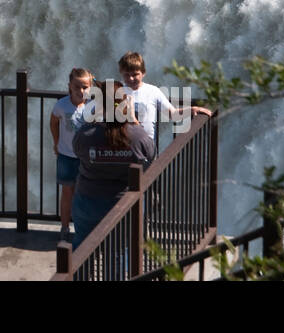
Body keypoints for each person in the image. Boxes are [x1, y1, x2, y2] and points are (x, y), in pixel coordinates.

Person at [70, 80, 155, 253]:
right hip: (124, 204)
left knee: (81, 254)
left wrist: (94, 115)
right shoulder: (137, 137)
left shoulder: (85, 135)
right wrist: (133, 119)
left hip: (88, 200)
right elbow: (150, 155)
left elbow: (77, 151)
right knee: (121, 253)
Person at [118, 51, 211, 150]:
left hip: (145, 146)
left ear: (143, 73)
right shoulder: (116, 91)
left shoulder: (152, 91)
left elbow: (173, 114)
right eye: (126, 75)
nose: (131, 78)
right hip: (122, 146)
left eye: (135, 74)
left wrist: (192, 110)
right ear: (121, 73)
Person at [49, 67, 93, 238]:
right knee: (67, 193)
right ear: (70, 86)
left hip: (86, 158)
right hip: (66, 156)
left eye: (85, 87)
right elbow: (53, 122)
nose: (81, 91)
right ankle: (65, 227)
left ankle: (83, 228)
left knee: (85, 193)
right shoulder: (61, 105)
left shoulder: (93, 106)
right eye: (77, 87)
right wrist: (56, 142)